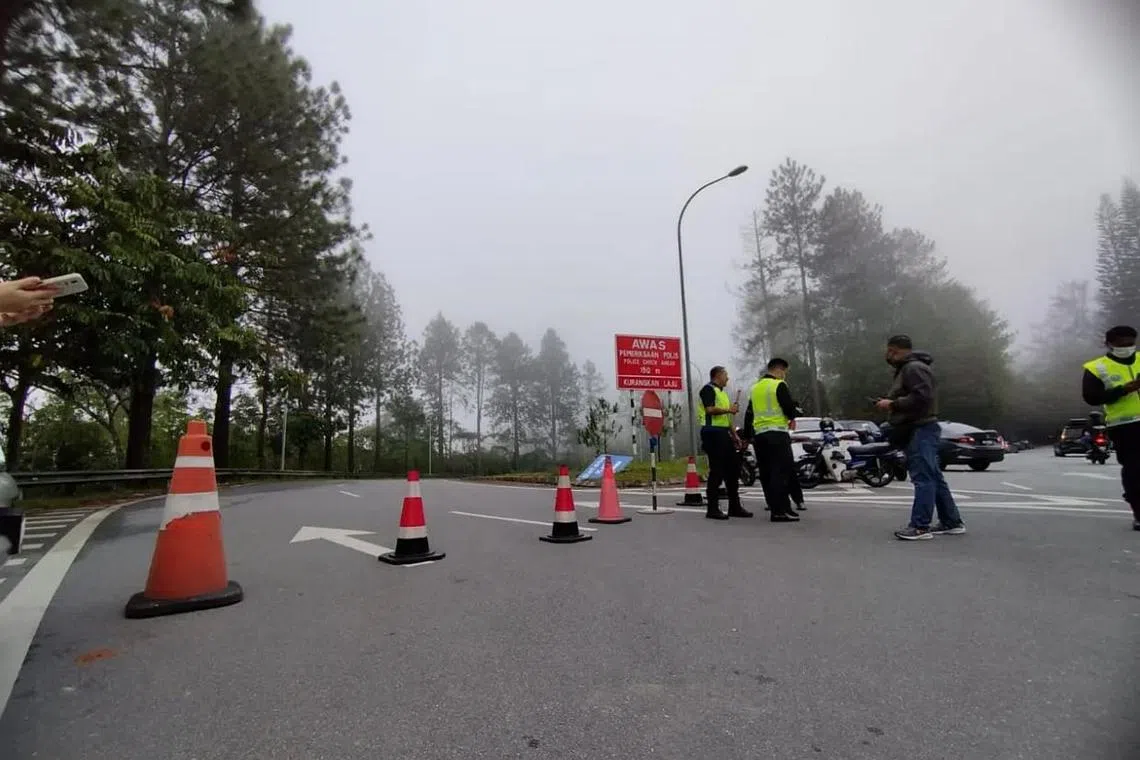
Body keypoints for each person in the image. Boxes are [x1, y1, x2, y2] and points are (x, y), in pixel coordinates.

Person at [875, 334, 965, 540]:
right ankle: (951, 521)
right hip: (921, 427)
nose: (888, 356)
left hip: (920, 428)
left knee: (923, 477)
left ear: (894, 350)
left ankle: (920, 526)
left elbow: (923, 397)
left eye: (889, 351)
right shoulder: (911, 368)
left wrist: (892, 404)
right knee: (933, 476)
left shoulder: (913, 368)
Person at [1081, 325, 1140, 531]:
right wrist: (1123, 390)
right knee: (1135, 469)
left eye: (1130, 343)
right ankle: (1138, 509)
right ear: (1109, 344)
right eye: (1121, 344)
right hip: (1126, 426)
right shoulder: (1097, 368)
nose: (1127, 347)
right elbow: (1091, 397)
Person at [743, 358, 801, 522]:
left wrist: (747, 435)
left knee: (767, 473)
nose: (784, 376)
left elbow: (749, 413)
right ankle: (779, 511)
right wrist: (794, 414)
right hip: (777, 433)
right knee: (781, 472)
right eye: (784, 372)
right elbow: (788, 407)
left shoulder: (755, 388)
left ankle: (779, 508)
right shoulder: (778, 385)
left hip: (760, 436)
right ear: (779, 369)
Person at [697, 366, 752, 520]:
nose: (727, 378)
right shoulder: (708, 390)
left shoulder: (723, 393)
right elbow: (709, 410)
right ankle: (712, 508)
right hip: (712, 433)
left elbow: (727, 420)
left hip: (723, 433)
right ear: (718, 375)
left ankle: (735, 506)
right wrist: (729, 409)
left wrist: (735, 435)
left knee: (733, 469)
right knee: (717, 470)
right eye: (725, 375)